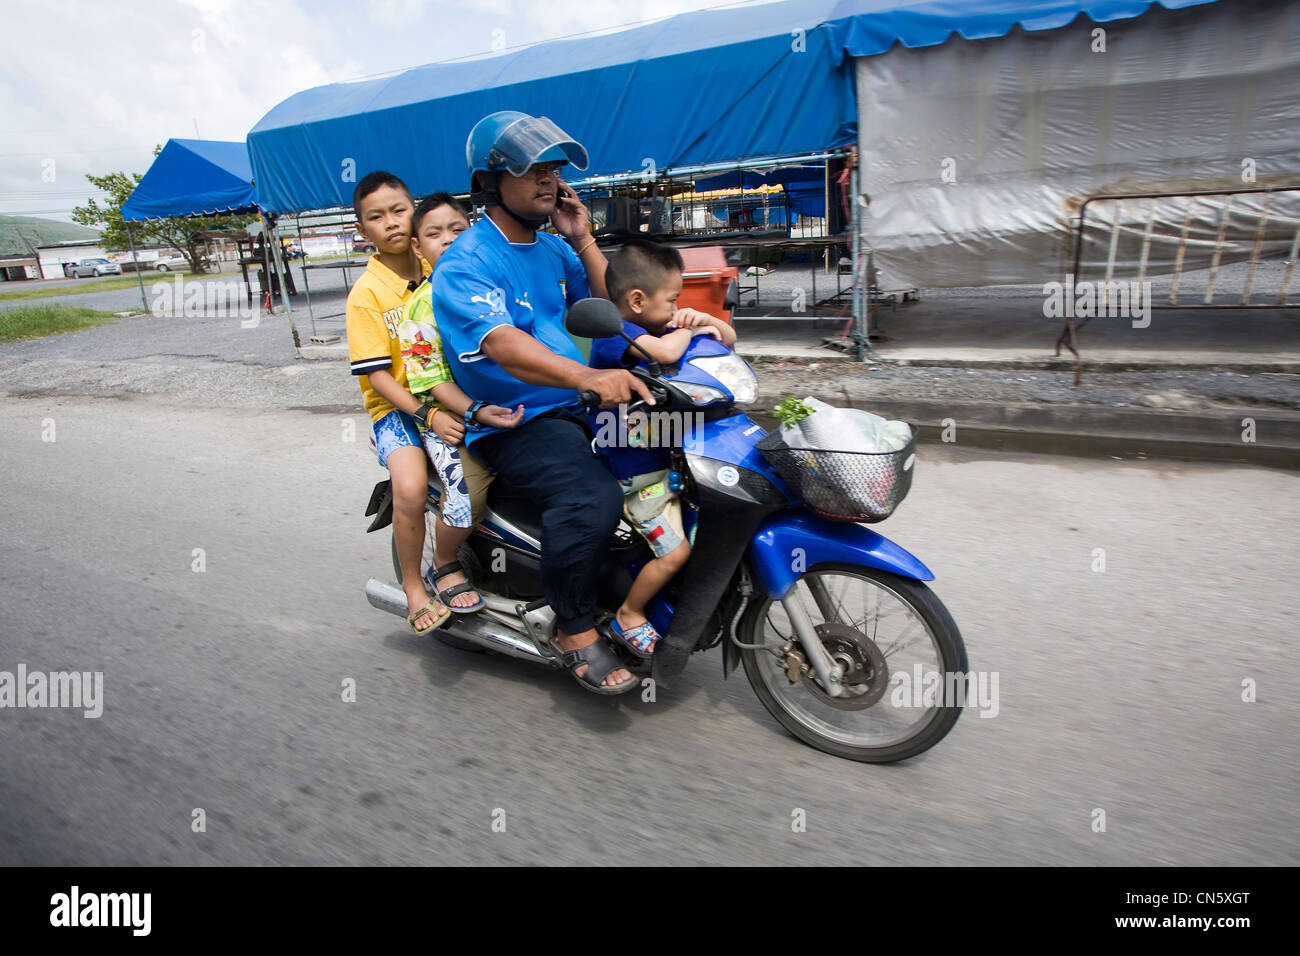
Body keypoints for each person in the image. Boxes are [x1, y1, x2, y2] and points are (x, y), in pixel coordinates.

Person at [431, 110, 653, 695]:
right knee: (589, 494)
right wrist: (584, 376)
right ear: (490, 180)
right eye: (532, 170)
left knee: (670, 454)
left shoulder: (555, 250)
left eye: (553, 170)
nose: (548, 181)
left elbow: (611, 307)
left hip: (576, 402)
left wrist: (583, 238)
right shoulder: (466, 261)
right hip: (518, 420)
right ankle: (574, 630)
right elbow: (502, 345)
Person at [587, 238, 738, 656]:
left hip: (668, 463)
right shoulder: (615, 337)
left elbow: (728, 337)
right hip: (636, 475)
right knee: (676, 554)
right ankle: (630, 614)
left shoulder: (653, 325)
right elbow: (669, 349)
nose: (676, 309)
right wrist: (689, 327)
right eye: (672, 300)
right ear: (637, 300)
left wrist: (705, 319)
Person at [399, 192, 524, 612]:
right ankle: (445, 560)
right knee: (468, 494)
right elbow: (430, 379)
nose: (448, 240)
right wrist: (471, 411)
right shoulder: (421, 307)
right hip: (451, 418)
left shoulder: (490, 288)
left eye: (458, 230)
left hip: (506, 404)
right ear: (418, 247)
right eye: (434, 234)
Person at [345, 170, 447, 636]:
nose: (391, 222)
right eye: (376, 217)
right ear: (362, 230)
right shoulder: (366, 294)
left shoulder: (437, 264)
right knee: (409, 489)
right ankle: (413, 587)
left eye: (399, 210)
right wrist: (424, 412)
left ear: (415, 210)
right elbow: (375, 374)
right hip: (398, 411)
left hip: (449, 393)